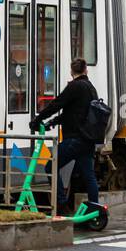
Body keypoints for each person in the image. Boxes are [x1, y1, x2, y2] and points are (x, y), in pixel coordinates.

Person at [32, 57, 100, 215]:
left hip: (74, 140)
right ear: (85, 70)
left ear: (71, 71)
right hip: (87, 140)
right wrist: (53, 122)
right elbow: (71, 113)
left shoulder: (75, 87)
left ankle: (61, 205)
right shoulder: (91, 88)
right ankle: (96, 209)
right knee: (89, 176)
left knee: (50, 166)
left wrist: (38, 119)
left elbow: (57, 104)